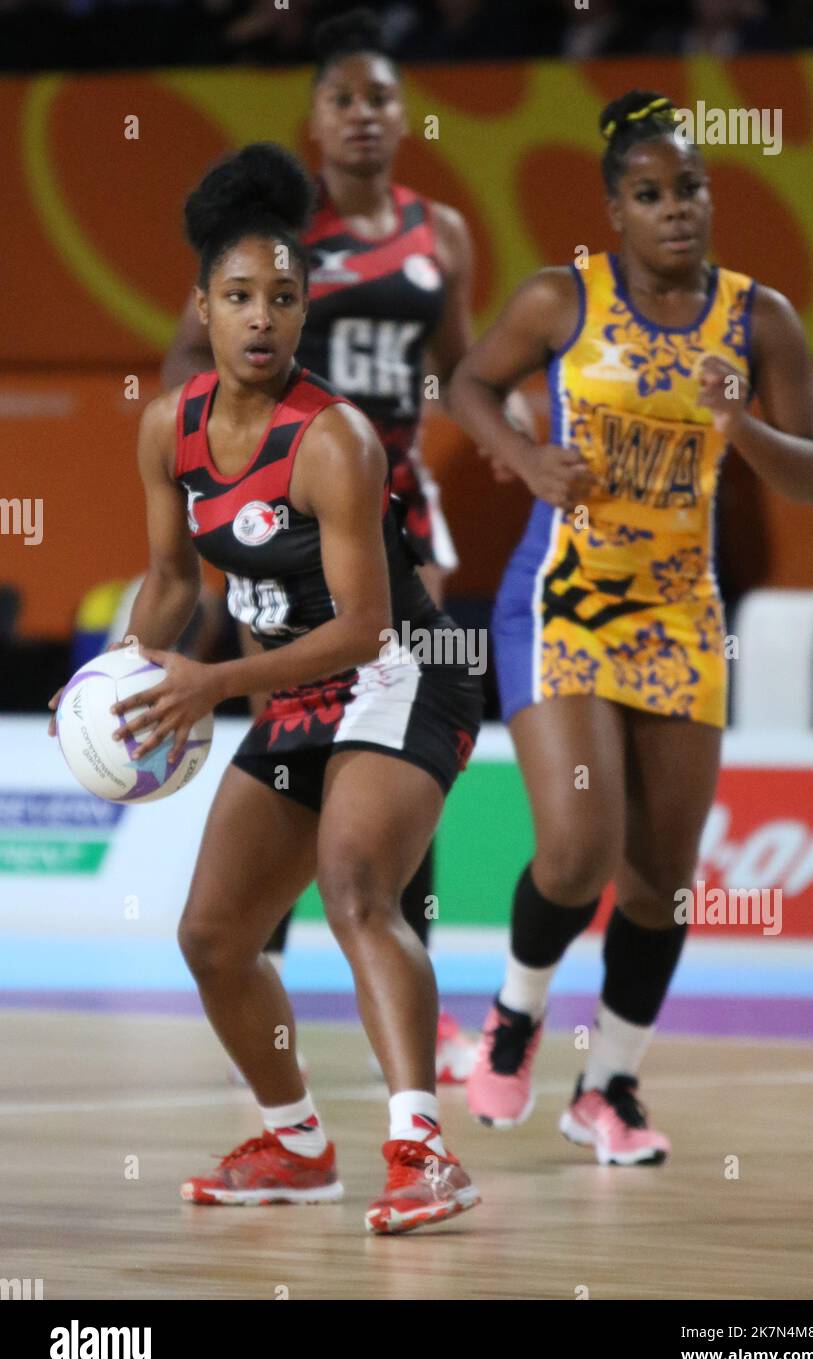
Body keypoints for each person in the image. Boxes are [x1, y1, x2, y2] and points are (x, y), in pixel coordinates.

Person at [54, 141, 483, 1232]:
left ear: (305, 313)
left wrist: (212, 681)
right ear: (201, 306)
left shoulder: (332, 440)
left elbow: (364, 623)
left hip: (401, 674)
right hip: (292, 692)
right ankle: (296, 1144)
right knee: (210, 935)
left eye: (282, 298)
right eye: (239, 295)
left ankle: (421, 1148)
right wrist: (114, 686)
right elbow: (164, 580)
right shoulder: (171, 429)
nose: (260, 317)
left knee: (354, 889)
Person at [449, 90, 813, 1162]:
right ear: (612, 211)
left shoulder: (759, 321)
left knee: (660, 881)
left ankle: (607, 1087)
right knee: (575, 854)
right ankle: (516, 1015)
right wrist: (525, 459)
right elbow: (468, 381)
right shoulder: (556, 301)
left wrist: (736, 423)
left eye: (691, 189)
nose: (676, 208)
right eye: (648, 193)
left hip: (678, 616)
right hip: (563, 600)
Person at [162, 7, 515, 1083]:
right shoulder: (274, 243)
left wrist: (509, 434)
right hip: (278, 515)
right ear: (312, 118)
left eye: (380, 98)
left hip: (403, 511)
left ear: (404, 118)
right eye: (343, 97)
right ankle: (259, 968)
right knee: (288, 734)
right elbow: (190, 357)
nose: (363, 115)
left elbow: (459, 371)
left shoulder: (438, 232)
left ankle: (415, 996)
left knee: (398, 743)